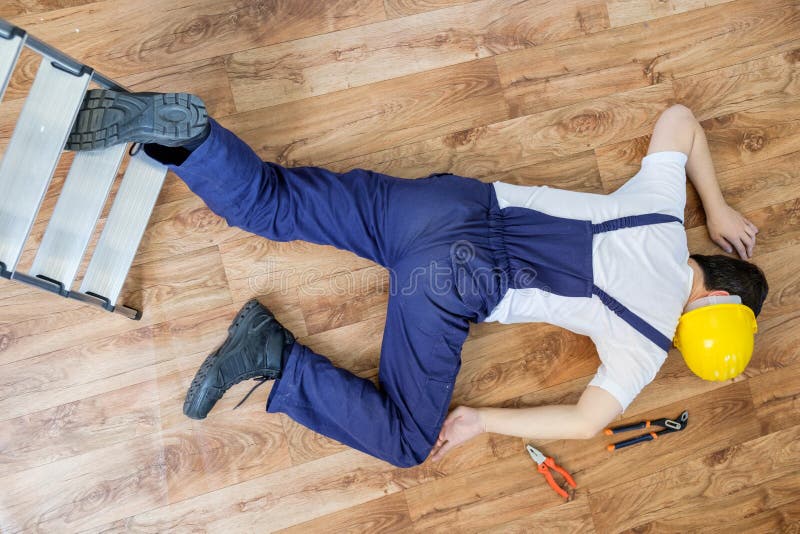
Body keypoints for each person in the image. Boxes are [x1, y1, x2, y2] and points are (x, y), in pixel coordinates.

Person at [67, 90, 768, 467]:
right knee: (408, 444)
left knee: (274, 204)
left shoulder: (661, 218)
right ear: (723, 304)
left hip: (448, 202)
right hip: (452, 279)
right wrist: (478, 420)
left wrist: (718, 202)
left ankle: (187, 137)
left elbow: (679, 119)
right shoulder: (646, 343)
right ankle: (273, 357)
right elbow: (588, 422)